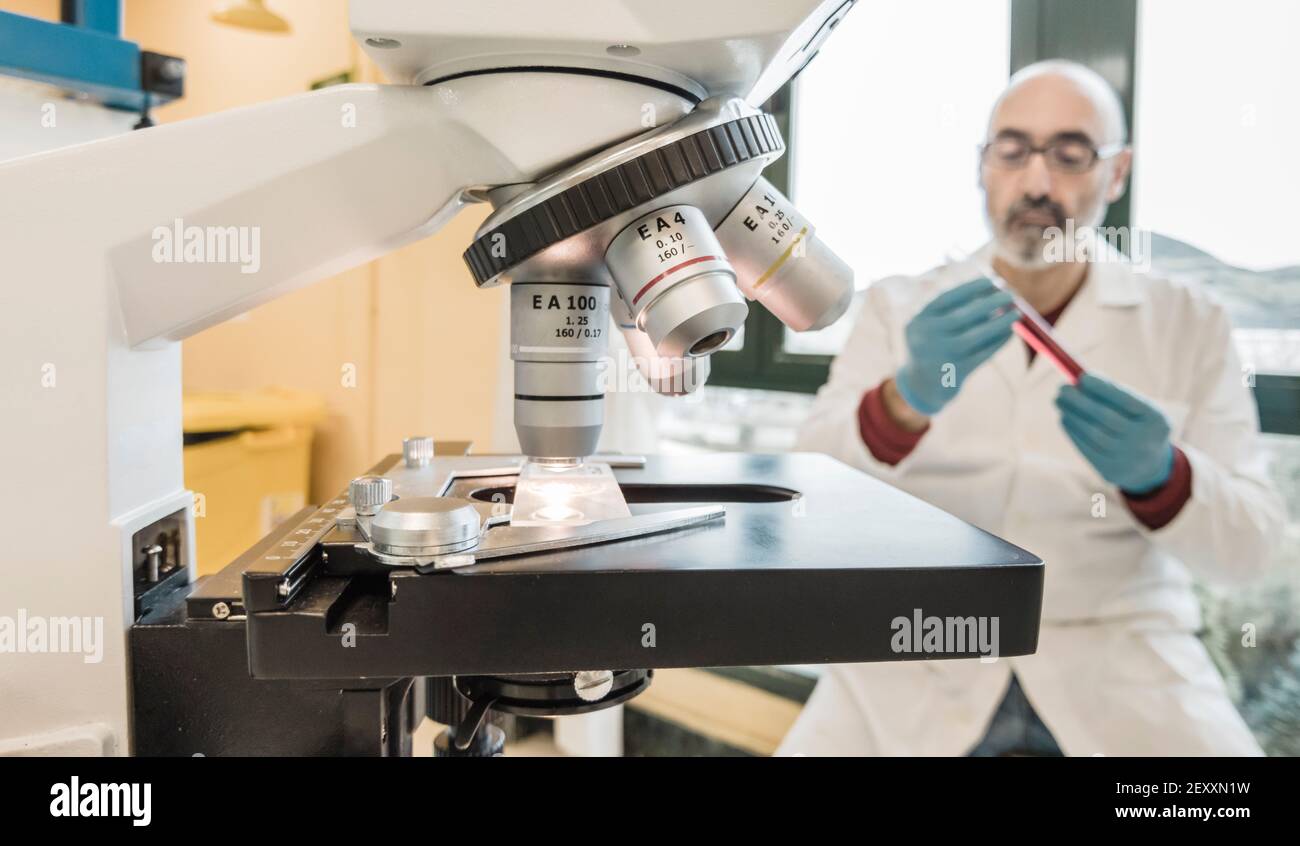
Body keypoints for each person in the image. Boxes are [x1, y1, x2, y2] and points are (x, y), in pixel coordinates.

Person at [780, 60, 1284, 756]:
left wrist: (1164, 478)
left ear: (1117, 173)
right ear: (983, 165)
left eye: (1071, 154)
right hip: (910, 655)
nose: (1038, 183)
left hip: (1120, 664)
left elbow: (1253, 552)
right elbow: (802, 502)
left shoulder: (1188, 322)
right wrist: (898, 406)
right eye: (1012, 151)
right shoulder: (899, 306)